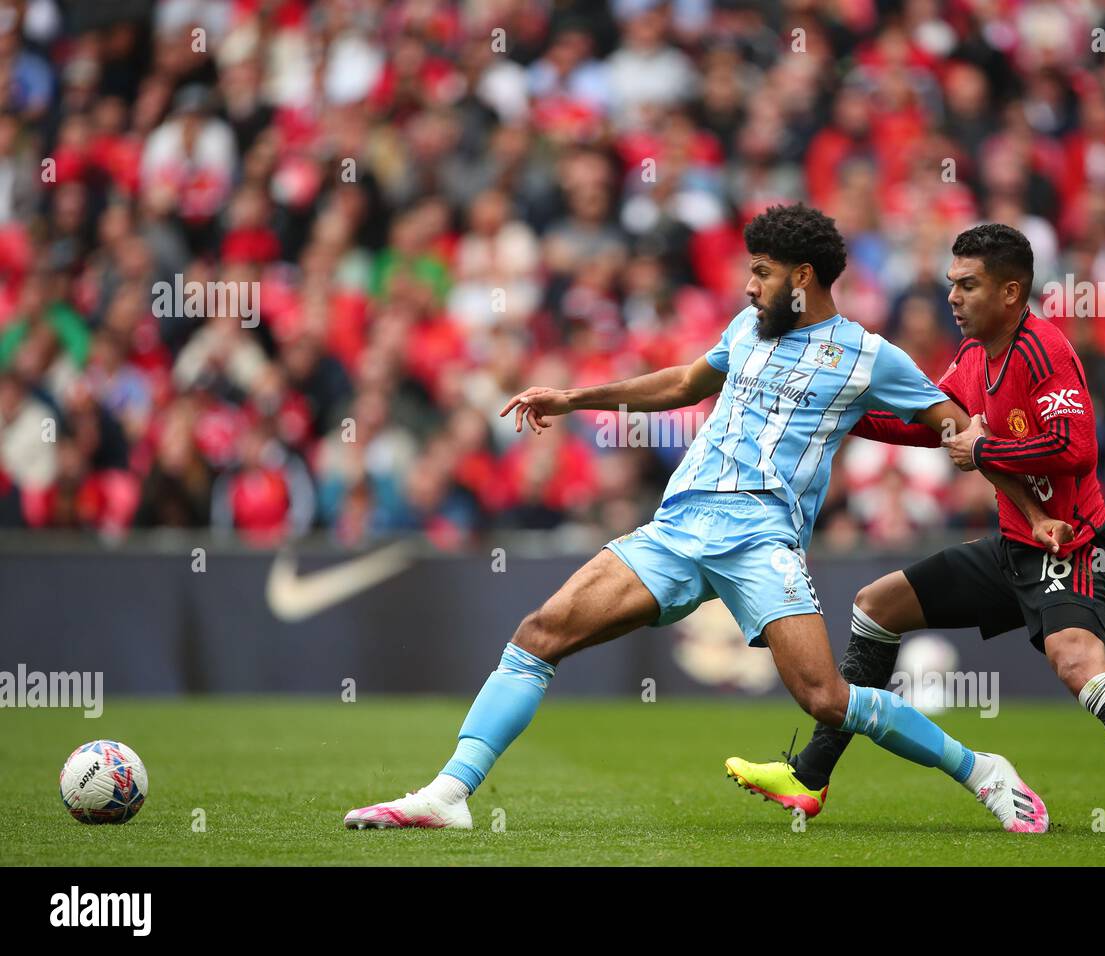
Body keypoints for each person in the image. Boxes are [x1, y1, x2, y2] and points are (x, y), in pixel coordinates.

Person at [344, 205, 1060, 833]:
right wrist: (573, 398)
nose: (749, 286)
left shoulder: (870, 356)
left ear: (802, 277)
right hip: (679, 527)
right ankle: (449, 793)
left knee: (825, 698)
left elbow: (959, 427)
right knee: (540, 633)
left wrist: (1021, 500)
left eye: (761, 272)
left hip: (762, 539)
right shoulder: (748, 327)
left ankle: (984, 771)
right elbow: (685, 383)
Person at [724, 224, 1105, 839]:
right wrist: (839, 410)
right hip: (1015, 545)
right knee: (877, 606)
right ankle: (809, 777)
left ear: (1011, 291)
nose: (953, 297)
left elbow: (1076, 447)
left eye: (968, 285)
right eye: (952, 284)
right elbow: (932, 424)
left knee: (1075, 660)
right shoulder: (972, 358)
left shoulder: (1044, 351)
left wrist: (987, 450)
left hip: (1070, 544)